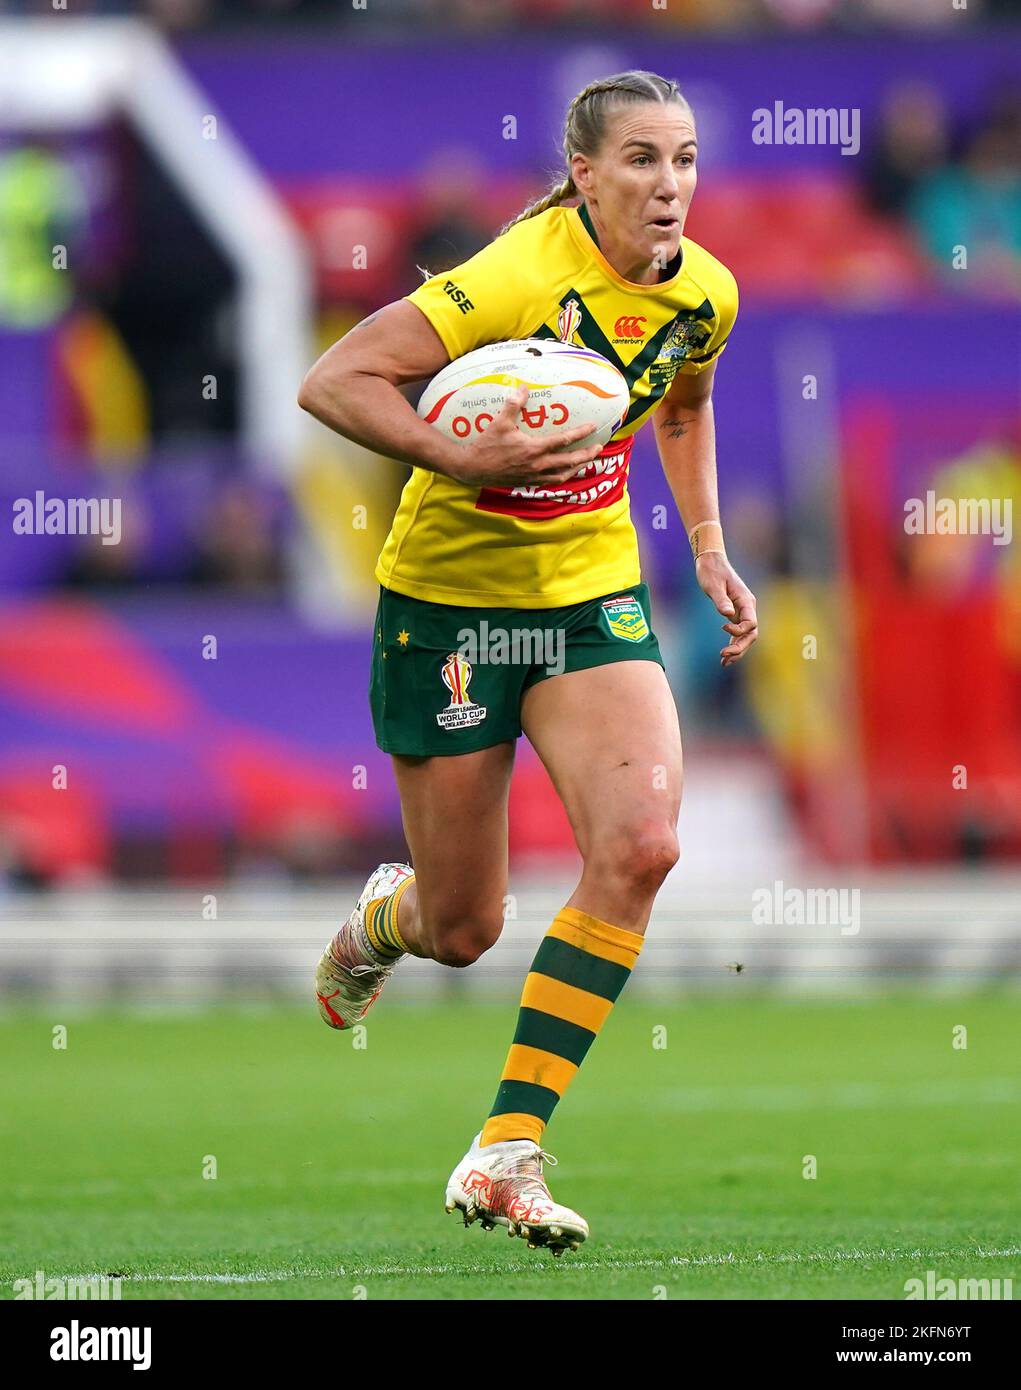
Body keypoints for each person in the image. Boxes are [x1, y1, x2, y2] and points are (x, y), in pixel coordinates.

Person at [298, 69, 758, 1256]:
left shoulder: (704, 293)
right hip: (447, 609)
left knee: (644, 844)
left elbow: (683, 406)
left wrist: (705, 549)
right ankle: (380, 926)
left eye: (687, 158)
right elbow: (334, 378)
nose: (671, 185)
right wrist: (455, 458)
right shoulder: (513, 275)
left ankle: (508, 1147)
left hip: (587, 600)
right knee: (463, 927)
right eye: (644, 161)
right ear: (586, 173)